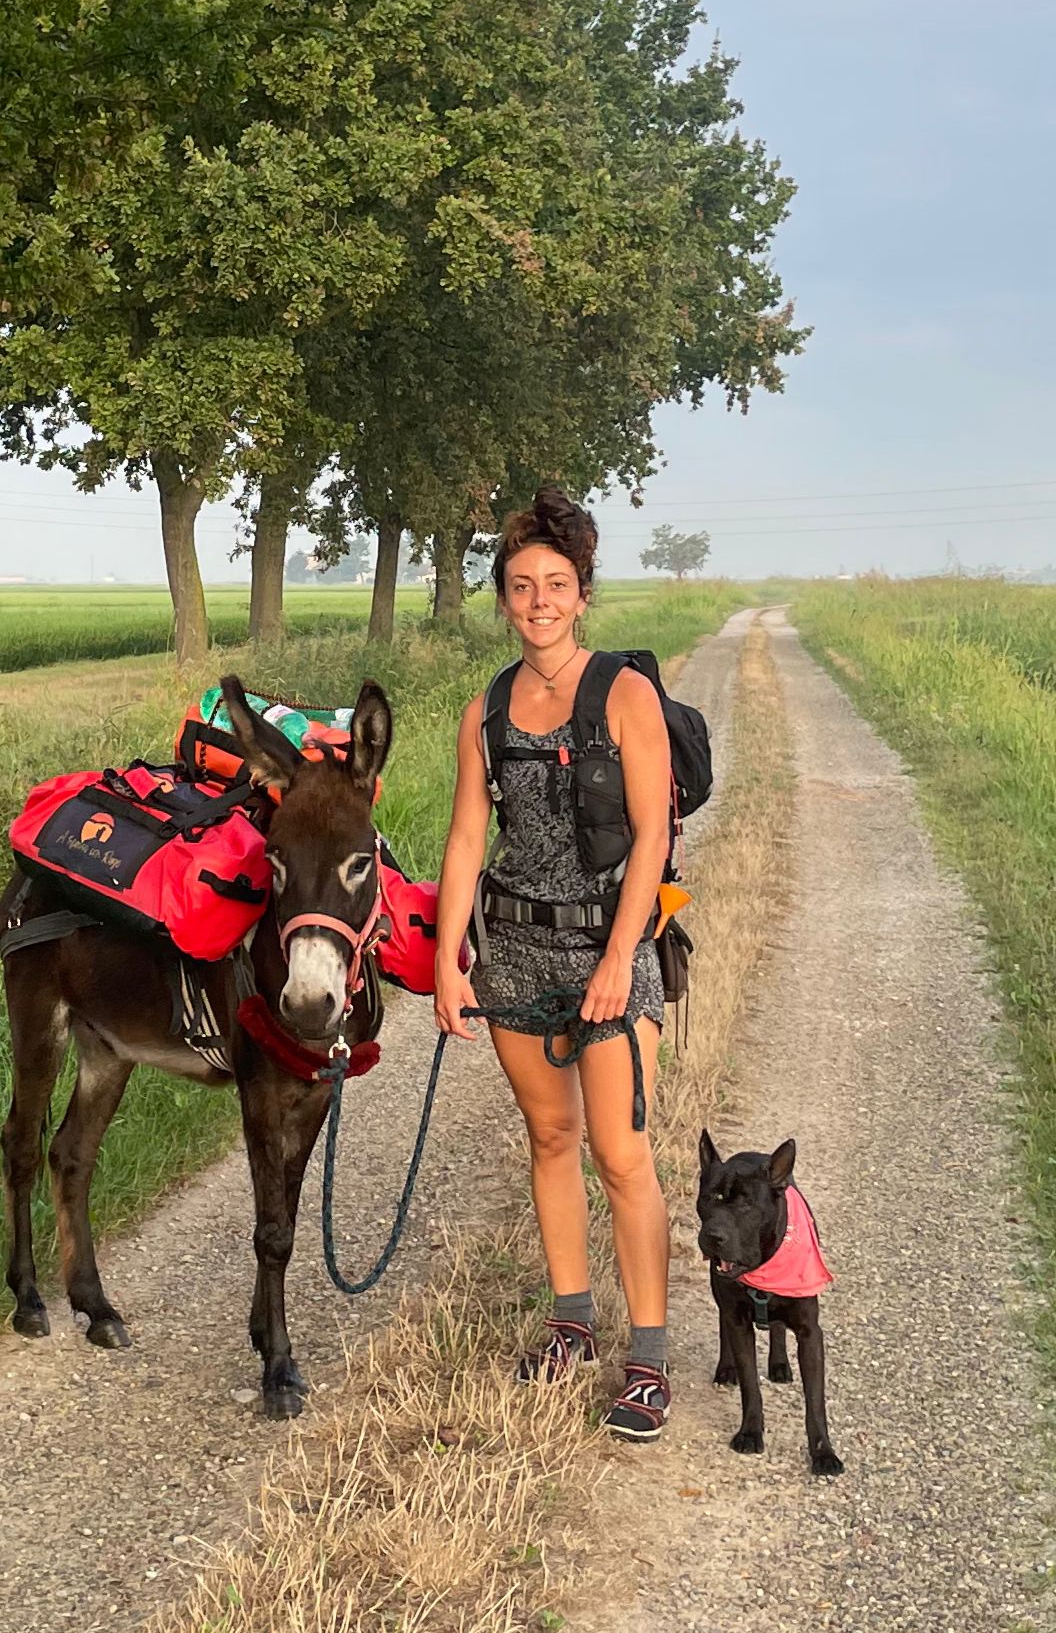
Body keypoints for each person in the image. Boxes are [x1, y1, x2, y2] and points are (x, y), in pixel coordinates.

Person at [433, 487, 675, 1441]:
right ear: (502, 597)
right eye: (521, 585)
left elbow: (652, 832)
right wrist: (450, 960)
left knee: (621, 1154)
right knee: (548, 1140)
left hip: (609, 947)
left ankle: (647, 1357)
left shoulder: (623, 691)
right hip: (517, 951)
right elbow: (463, 838)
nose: (538, 599)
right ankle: (570, 1321)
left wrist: (620, 954)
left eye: (556, 584)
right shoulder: (484, 710)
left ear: (582, 595)